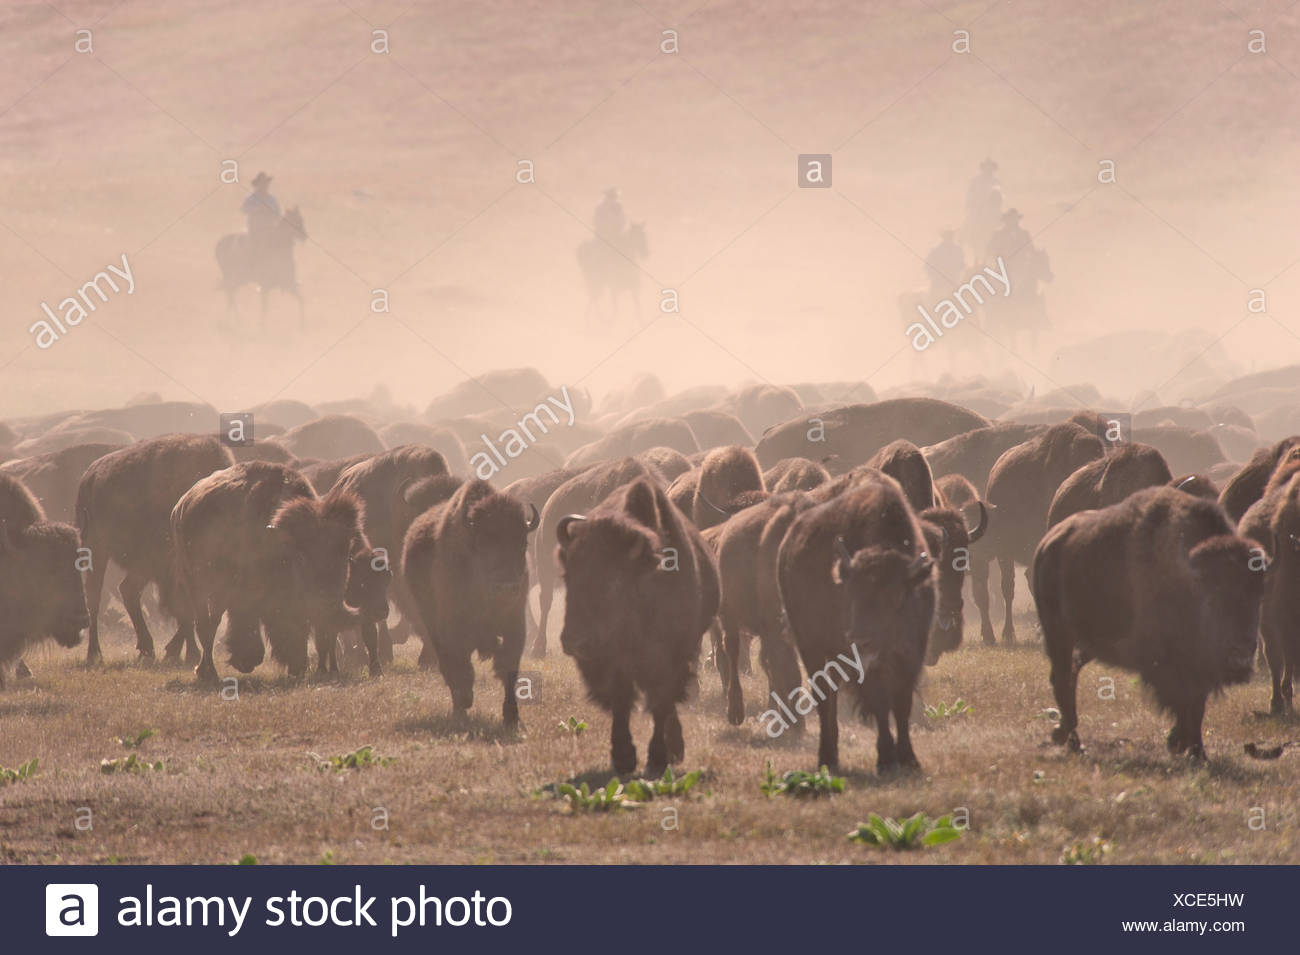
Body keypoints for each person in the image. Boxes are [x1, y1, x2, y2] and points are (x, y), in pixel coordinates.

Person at [925, 228, 966, 297]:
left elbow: (962, 265)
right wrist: (936, 276)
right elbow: (927, 266)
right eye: (947, 237)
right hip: (938, 282)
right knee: (932, 299)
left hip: (955, 280)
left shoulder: (958, 250)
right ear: (943, 237)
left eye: (950, 236)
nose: (949, 239)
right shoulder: (936, 250)